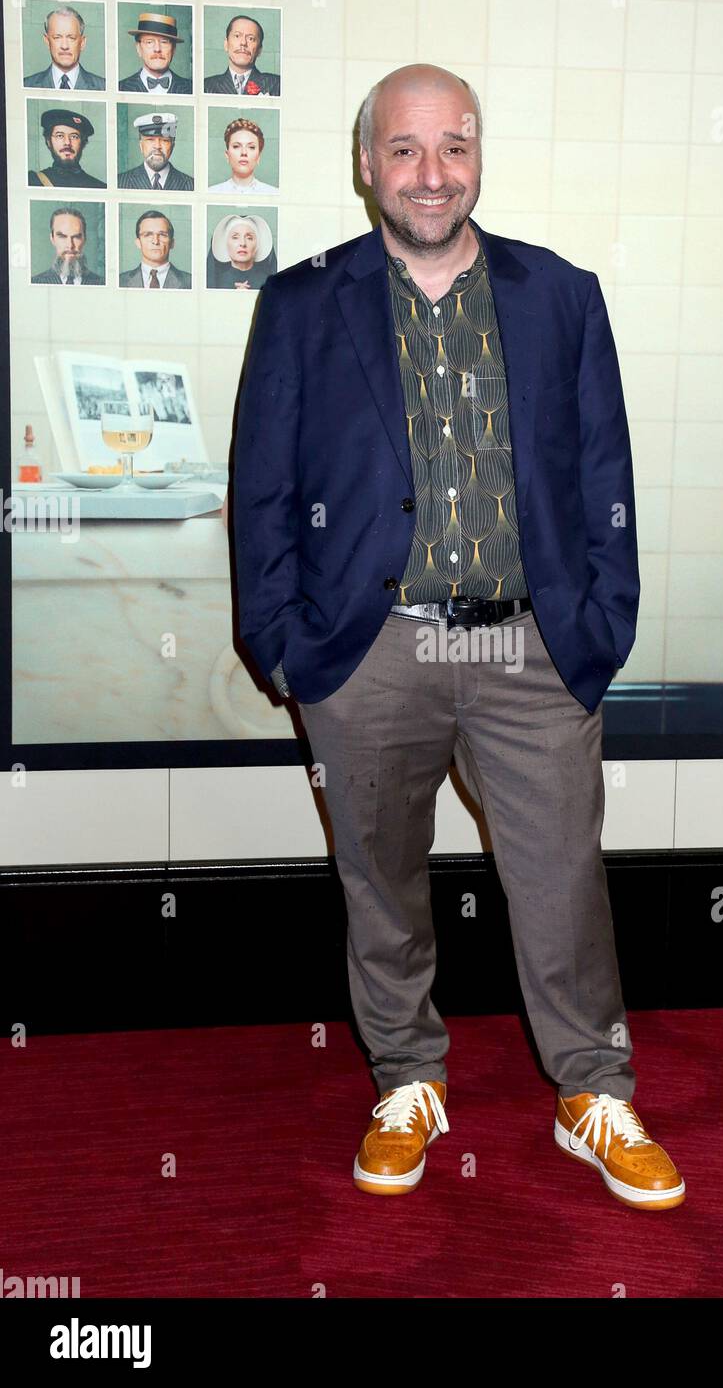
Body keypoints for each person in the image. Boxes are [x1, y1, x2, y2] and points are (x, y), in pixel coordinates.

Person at [232, 64, 685, 1212]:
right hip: (365, 651)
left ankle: (592, 1090)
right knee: (379, 880)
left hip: (530, 652)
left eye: (453, 146)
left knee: (562, 881)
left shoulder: (562, 296)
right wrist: (284, 646)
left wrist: (601, 621)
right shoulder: (300, 302)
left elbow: (603, 473)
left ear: (478, 156)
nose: (431, 173)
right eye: (404, 149)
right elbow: (262, 490)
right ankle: (406, 1077)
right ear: (365, 164)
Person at [24, 5, 105, 89]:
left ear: (82, 43)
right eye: (57, 37)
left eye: (71, 38)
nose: (64, 46)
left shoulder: (104, 87)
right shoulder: (26, 85)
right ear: (47, 41)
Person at [28, 106, 105, 187]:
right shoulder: (33, 181)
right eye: (60, 136)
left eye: (74, 137)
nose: (67, 142)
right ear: (48, 142)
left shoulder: (99, 187)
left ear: (83, 143)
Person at [203, 14, 279, 95]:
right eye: (237, 36)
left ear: (259, 50)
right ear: (226, 44)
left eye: (251, 38)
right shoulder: (206, 86)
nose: (243, 43)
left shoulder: (276, 84)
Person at [118, 11, 192, 94]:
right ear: (138, 48)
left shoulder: (191, 89)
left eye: (164, 42)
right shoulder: (120, 88)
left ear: (173, 48)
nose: (157, 49)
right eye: (149, 42)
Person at [117, 112, 194, 190]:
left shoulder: (191, 186)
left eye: (164, 140)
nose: (157, 146)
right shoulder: (119, 183)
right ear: (141, 145)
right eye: (150, 140)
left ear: (172, 145)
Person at [31, 204, 104, 284]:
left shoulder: (102, 283)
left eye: (76, 237)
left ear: (84, 238)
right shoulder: (35, 283)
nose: (70, 245)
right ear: (52, 238)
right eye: (62, 236)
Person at [119, 210, 191, 288]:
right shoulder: (120, 281)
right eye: (148, 235)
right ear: (138, 243)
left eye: (162, 235)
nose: (155, 241)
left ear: (172, 243)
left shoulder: (190, 282)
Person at [208, 117, 277, 193]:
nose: (244, 152)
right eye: (236, 146)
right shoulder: (212, 192)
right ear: (227, 155)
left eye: (251, 147)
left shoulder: (273, 193)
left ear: (259, 156)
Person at [206, 213, 276, 288]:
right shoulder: (216, 283)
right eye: (235, 237)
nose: (242, 243)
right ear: (225, 244)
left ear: (258, 245)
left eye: (249, 238)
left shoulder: (268, 282)